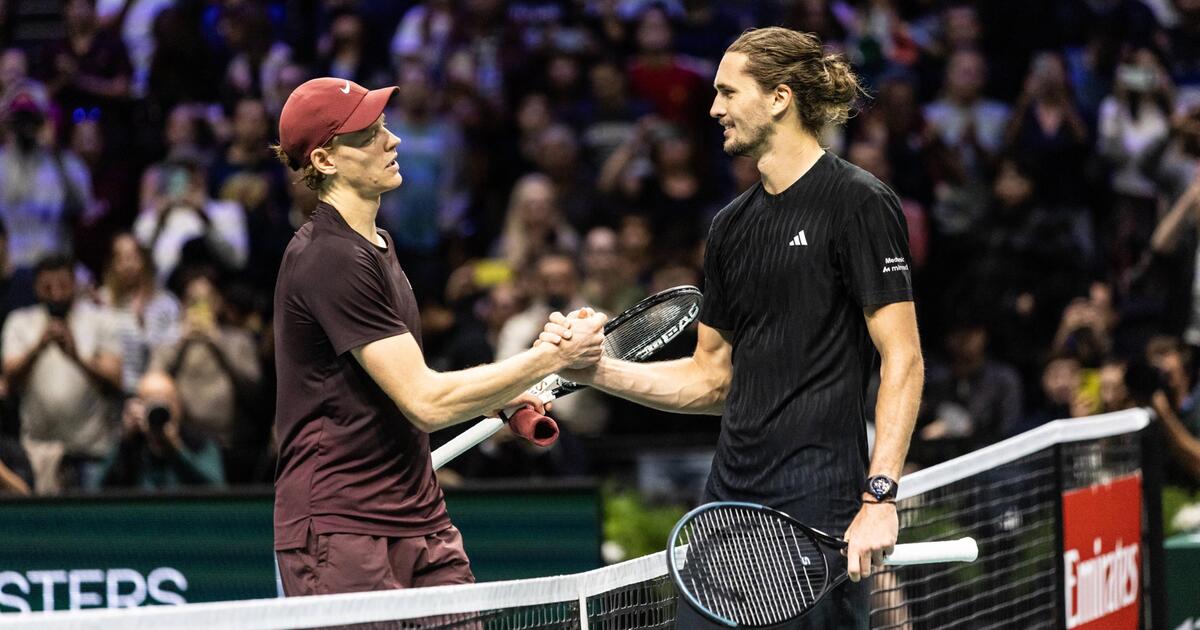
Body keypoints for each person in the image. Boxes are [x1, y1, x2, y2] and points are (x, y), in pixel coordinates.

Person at [543, 28, 923, 628]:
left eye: (727, 92)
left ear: (779, 97)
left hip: (816, 512)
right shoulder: (728, 228)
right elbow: (711, 380)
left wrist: (880, 498)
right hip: (726, 517)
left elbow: (903, 359)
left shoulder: (858, 203)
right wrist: (598, 371)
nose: (713, 108)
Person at [268, 77, 606, 596]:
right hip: (344, 526)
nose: (393, 140)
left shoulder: (377, 244)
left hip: (419, 517)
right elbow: (424, 402)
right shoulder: (330, 257)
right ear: (326, 160)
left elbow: (405, 382)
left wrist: (495, 393)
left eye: (383, 125)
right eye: (369, 133)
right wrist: (550, 357)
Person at [100, 371, 225, 490]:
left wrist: (177, 448)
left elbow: (216, 489)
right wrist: (125, 440)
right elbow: (97, 491)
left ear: (178, 404)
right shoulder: (131, 445)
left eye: (166, 400)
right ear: (138, 406)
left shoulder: (197, 442)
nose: (159, 409)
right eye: (150, 401)